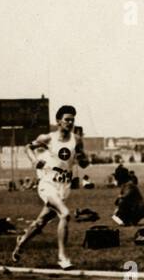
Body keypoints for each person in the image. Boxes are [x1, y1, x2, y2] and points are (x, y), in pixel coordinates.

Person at [11, 105, 89, 270]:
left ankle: (22, 242)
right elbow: (27, 147)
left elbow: (84, 164)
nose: (70, 122)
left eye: (72, 120)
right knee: (65, 214)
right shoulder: (48, 138)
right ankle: (62, 257)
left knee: (41, 222)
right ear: (58, 121)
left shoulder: (77, 140)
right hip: (47, 184)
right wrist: (34, 161)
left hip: (63, 187)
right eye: (67, 119)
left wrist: (83, 159)